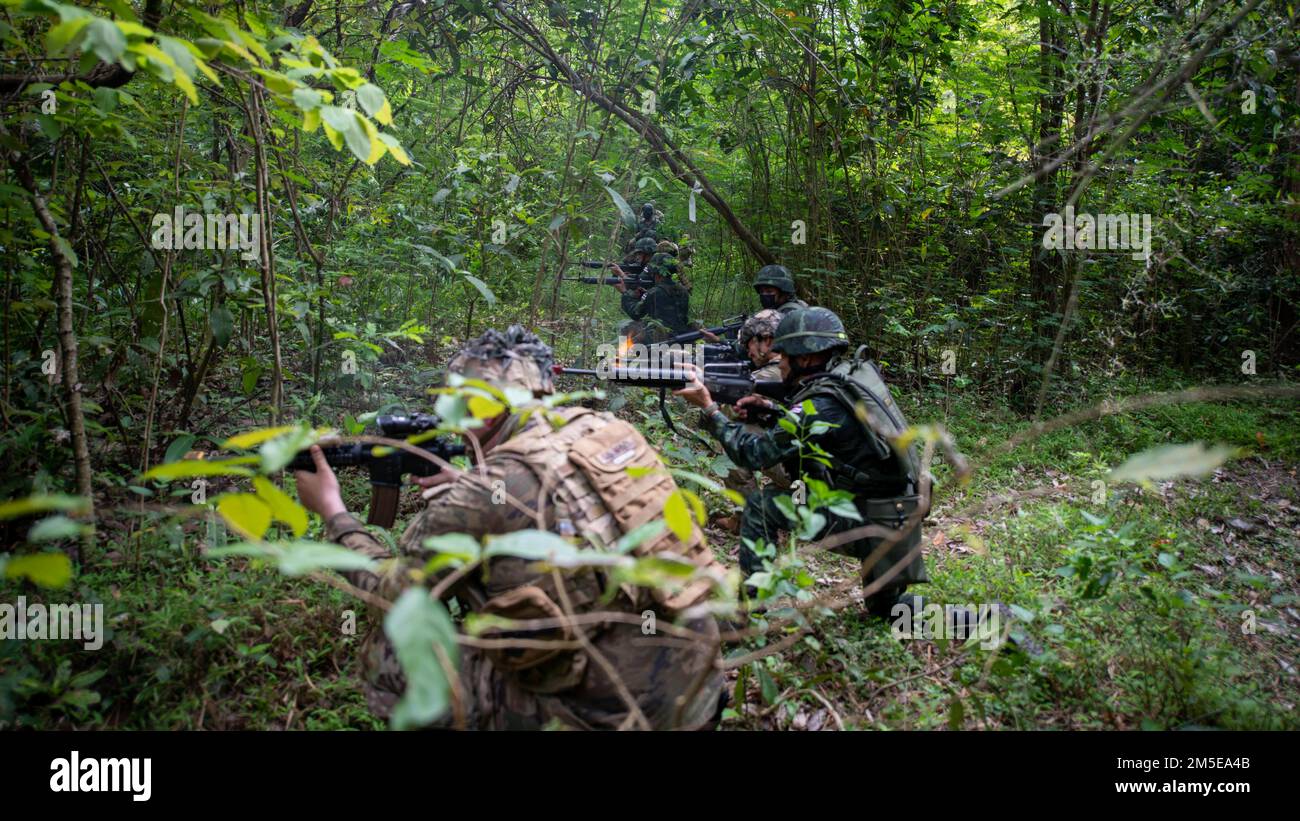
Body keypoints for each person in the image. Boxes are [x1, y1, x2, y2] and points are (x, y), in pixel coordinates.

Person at [293, 326, 726, 730]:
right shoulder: (610, 431)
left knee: (388, 656)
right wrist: (477, 487)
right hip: (699, 689)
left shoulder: (488, 489)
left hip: (617, 713)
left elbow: (392, 596)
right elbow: (570, 499)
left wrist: (334, 513)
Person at [673, 307, 928, 617]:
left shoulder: (819, 402)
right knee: (890, 612)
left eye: (783, 356)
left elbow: (753, 455)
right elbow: (816, 431)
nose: (778, 362)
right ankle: (992, 619)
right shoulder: (843, 382)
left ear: (805, 359)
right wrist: (771, 410)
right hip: (894, 515)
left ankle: (750, 609)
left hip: (873, 522)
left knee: (764, 506)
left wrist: (710, 410)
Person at [614, 252, 692, 342]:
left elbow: (635, 313)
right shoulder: (683, 290)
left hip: (660, 340)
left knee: (626, 332)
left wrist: (625, 292)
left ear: (655, 271)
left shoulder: (654, 292)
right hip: (682, 338)